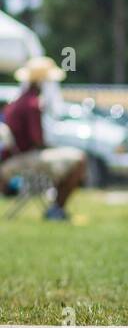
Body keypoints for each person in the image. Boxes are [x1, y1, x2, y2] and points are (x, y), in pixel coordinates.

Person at [0, 56, 86, 221]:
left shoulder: (17, 102)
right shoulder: (32, 104)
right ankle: (57, 209)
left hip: (15, 156)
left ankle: (56, 208)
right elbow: (36, 139)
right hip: (25, 157)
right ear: (41, 82)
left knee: (67, 160)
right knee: (79, 160)